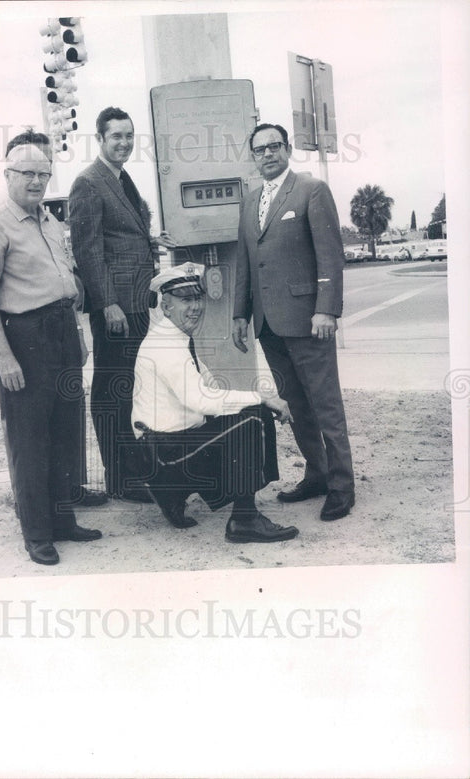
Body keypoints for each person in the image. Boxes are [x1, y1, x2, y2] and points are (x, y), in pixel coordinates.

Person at [0, 131, 107, 509]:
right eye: (28, 166)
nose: (38, 175)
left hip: (56, 325)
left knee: (63, 412)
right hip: (17, 325)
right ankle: (31, 503)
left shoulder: (44, 215)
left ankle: (68, 492)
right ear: (10, 166)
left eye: (45, 166)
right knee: (26, 422)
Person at [0, 143, 102, 566]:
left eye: (42, 175)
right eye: (26, 174)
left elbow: (64, 284)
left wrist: (78, 335)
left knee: (66, 431)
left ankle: (63, 520)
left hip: (63, 330)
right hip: (24, 338)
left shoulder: (48, 221)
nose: (35, 182)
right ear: (7, 176)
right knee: (29, 440)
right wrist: (3, 355)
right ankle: (37, 533)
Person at [232, 122, 355, 522]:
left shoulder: (310, 190)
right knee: (298, 406)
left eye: (274, 146)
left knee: (325, 406)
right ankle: (316, 475)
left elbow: (330, 255)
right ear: (252, 155)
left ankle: (341, 486)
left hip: (308, 320)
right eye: (260, 149)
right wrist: (239, 314)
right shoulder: (250, 202)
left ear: (286, 149)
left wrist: (326, 309)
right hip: (268, 325)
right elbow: (246, 264)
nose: (268, 154)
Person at [132, 263, 299, 543]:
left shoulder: (173, 335)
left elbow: (207, 385)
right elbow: (201, 400)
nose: (195, 307)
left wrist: (255, 398)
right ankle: (244, 520)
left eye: (198, 298)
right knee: (253, 418)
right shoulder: (167, 345)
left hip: (163, 447)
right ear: (166, 305)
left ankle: (172, 494)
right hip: (164, 453)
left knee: (245, 412)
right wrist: (262, 399)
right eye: (186, 300)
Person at [68, 106, 175, 503]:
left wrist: (151, 243)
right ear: (100, 139)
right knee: (112, 392)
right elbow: (89, 250)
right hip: (116, 307)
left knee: (126, 389)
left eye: (129, 136)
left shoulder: (121, 178)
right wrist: (107, 304)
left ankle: (127, 474)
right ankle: (120, 479)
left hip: (135, 300)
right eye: (116, 137)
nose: (124, 143)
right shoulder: (89, 183)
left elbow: (120, 236)